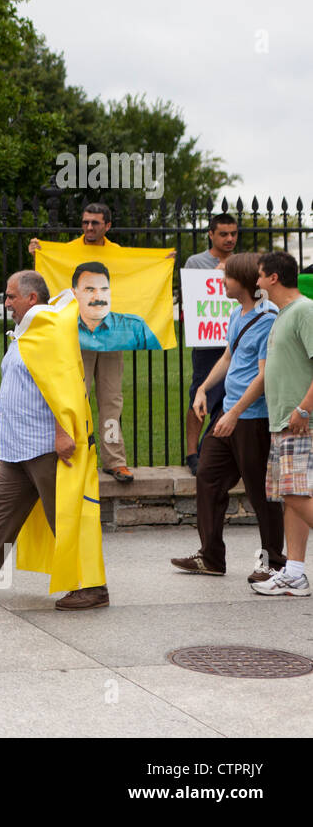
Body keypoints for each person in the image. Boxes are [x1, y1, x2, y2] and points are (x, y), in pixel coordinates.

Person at [0, 271, 110, 610]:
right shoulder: (32, 330)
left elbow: (66, 382)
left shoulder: (48, 329)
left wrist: (63, 432)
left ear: (32, 298)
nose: (7, 303)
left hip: (45, 446)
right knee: (0, 515)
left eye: (12, 296)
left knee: (66, 517)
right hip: (18, 448)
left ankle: (93, 587)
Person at [172, 252, 284, 580]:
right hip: (230, 413)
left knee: (260, 492)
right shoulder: (238, 313)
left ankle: (274, 562)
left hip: (252, 418)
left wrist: (235, 412)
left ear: (245, 282)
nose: (222, 282)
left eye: (227, 277)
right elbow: (228, 355)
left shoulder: (267, 319)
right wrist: (203, 388)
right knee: (207, 477)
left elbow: (263, 376)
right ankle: (211, 557)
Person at [31, 203, 134, 482]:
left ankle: (115, 460)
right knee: (78, 398)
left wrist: (163, 261)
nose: (89, 228)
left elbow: (138, 278)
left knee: (111, 401)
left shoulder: (120, 255)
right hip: (77, 338)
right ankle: (76, 454)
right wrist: (40, 255)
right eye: (85, 222)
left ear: (108, 226)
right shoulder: (68, 252)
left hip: (112, 340)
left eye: (95, 223)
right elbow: (50, 282)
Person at [251, 252, 313, 597]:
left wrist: (303, 409)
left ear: (273, 277)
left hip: (301, 422)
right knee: (293, 498)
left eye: (260, 276)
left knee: (294, 493)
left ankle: (295, 573)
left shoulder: (304, 311)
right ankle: (295, 573)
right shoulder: (284, 314)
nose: (256, 283)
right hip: (285, 422)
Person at [184, 214, 239, 474]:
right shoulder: (196, 262)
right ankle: (192, 453)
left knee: (233, 396)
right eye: (223, 234)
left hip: (237, 340)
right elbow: (193, 297)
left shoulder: (243, 262)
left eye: (233, 234)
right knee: (201, 394)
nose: (229, 239)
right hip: (207, 342)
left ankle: (218, 450)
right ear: (211, 234)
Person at [72, 262, 161, 351]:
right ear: (74, 293)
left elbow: (156, 359)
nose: (98, 297)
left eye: (104, 289)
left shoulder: (135, 327)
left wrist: (163, 262)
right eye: (90, 290)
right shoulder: (64, 329)